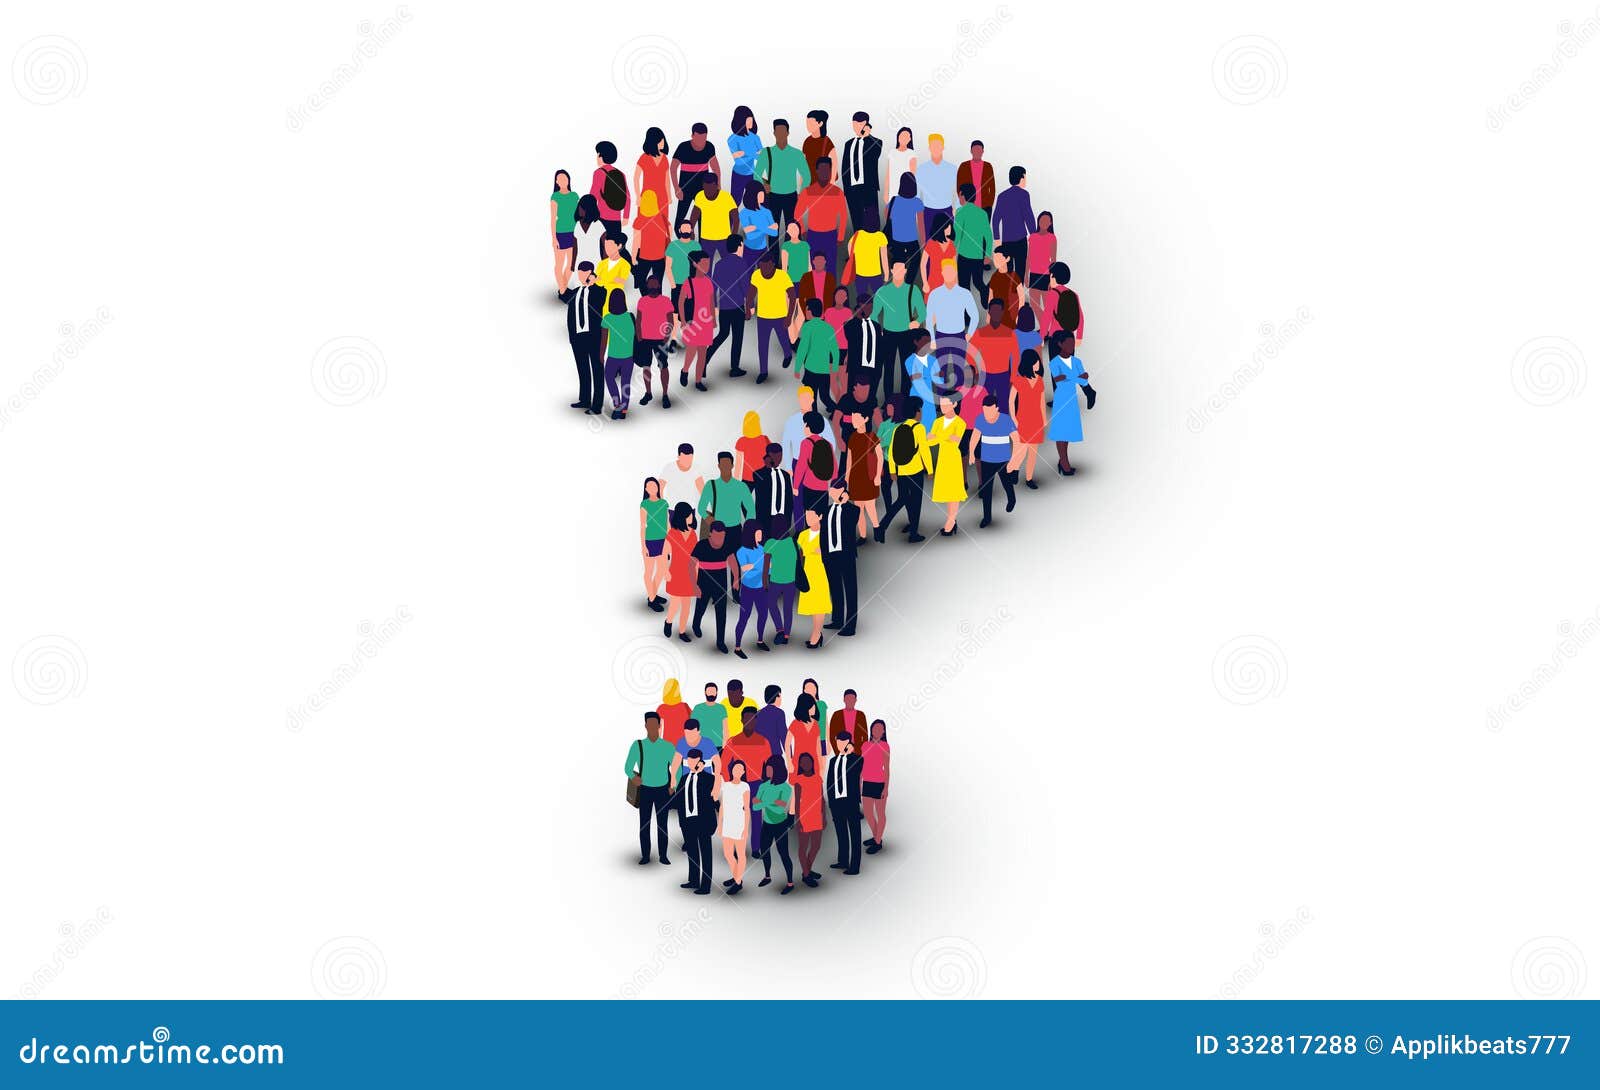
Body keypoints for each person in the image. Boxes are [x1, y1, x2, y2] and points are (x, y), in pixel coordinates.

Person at [870, 261, 926, 403]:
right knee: (888, 367)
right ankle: (889, 400)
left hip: (907, 333)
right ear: (891, 270)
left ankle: (905, 398)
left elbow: (923, 312)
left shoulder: (913, 291)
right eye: (897, 269)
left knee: (906, 367)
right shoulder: (883, 292)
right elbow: (874, 314)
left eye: (902, 269)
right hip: (888, 333)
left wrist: (917, 322)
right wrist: (879, 329)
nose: (899, 271)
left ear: (906, 271)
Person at [879, 393, 932, 542]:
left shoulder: (898, 428)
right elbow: (924, 450)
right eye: (920, 410)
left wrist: (893, 471)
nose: (921, 413)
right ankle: (914, 533)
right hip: (915, 471)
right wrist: (930, 469)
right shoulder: (919, 428)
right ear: (916, 412)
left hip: (901, 471)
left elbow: (891, 452)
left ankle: (882, 526)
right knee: (915, 501)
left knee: (902, 499)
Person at [624, 712, 675, 865]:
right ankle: (645, 855)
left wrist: (673, 785)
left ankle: (663, 856)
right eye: (649, 724)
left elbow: (677, 768)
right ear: (645, 725)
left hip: (663, 790)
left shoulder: (668, 746)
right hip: (645, 790)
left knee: (663, 824)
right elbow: (627, 767)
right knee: (644, 824)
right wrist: (634, 777)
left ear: (660, 726)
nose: (652, 727)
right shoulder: (638, 745)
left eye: (655, 724)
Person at [559, 262, 605, 413]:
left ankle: (597, 405)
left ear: (591, 274)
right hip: (577, 337)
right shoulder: (576, 292)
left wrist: (594, 283)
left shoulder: (599, 291)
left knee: (597, 370)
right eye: (579, 273)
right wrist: (564, 275)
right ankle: (585, 399)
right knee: (583, 368)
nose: (581, 276)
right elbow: (562, 293)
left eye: (584, 273)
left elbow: (600, 300)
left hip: (594, 337)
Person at [970, 394, 1020, 527]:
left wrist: (1014, 461)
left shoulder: (1006, 420)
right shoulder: (980, 420)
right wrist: (971, 453)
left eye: (990, 410)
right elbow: (975, 437)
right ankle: (987, 517)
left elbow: (1016, 440)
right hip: (986, 461)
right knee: (986, 491)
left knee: (1007, 483)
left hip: (1003, 460)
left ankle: (1011, 498)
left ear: (997, 408)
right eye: (985, 410)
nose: (988, 413)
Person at [706, 236, 752, 380]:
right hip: (738, 306)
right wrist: (749, 306)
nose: (743, 248)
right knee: (737, 337)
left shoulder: (719, 264)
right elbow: (745, 287)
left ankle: (704, 361)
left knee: (723, 334)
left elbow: (713, 287)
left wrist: (714, 306)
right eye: (742, 245)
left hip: (724, 306)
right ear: (739, 246)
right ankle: (734, 368)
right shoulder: (741, 263)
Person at [673, 748, 717, 894]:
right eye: (690, 761)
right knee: (692, 852)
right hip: (687, 822)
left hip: (704, 822)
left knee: (706, 853)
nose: (692, 763)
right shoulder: (684, 779)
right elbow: (677, 800)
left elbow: (715, 800)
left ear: (701, 762)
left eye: (695, 761)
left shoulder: (709, 779)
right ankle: (693, 880)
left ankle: (705, 886)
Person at [746, 253, 796, 381]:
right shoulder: (756, 275)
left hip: (780, 316)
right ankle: (763, 372)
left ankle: (787, 354)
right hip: (763, 317)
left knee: (783, 339)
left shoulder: (782, 276)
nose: (762, 269)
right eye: (760, 266)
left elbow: (792, 296)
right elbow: (751, 294)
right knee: (762, 345)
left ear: (772, 264)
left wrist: (789, 317)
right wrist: (748, 308)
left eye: (765, 266)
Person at [753, 118, 809, 232]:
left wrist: (801, 193)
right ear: (773, 133)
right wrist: (764, 185)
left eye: (783, 131)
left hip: (792, 197)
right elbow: (756, 175)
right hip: (772, 197)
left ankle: (790, 250)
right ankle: (773, 251)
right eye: (777, 131)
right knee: (772, 229)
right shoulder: (766, 153)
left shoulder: (796, 154)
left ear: (788, 132)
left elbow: (807, 175)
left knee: (792, 230)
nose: (780, 134)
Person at [690, 520, 737, 653]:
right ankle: (696, 624)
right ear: (710, 534)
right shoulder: (701, 545)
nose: (719, 539)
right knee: (700, 608)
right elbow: (691, 564)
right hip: (703, 584)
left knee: (721, 614)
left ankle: (720, 641)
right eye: (717, 536)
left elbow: (733, 561)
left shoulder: (727, 545)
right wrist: (694, 585)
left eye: (722, 536)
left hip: (721, 587)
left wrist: (736, 579)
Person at [794, 158, 848, 276]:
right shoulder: (807, 192)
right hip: (813, 236)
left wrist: (841, 236)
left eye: (827, 170)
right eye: (822, 169)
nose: (825, 172)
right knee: (813, 267)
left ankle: (829, 292)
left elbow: (843, 215)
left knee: (830, 267)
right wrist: (803, 230)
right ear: (816, 171)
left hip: (831, 236)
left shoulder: (837, 192)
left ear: (830, 172)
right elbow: (797, 213)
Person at [1047, 331, 1091, 476]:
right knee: (1061, 432)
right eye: (1068, 343)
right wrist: (1077, 377)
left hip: (1071, 399)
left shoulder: (1077, 362)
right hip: (1061, 399)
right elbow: (1059, 379)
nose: (1072, 346)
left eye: (1073, 343)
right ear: (1060, 344)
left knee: (1068, 432)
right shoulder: (1054, 362)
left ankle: (1063, 460)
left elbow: (1083, 381)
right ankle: (1064, 462)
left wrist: (1077, 377)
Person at [820, 483, 860, 636]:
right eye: (831, 490)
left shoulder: (852, 510)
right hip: (830, 556)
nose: (831, 492)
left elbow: (852, 523)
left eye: (835, 490)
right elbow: (823, 533)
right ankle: (837, 620)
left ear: (843, 492)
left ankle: (850, 626)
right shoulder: (826, 510)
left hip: (846, 555)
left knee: (850, 589)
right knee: (835, 588)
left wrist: (846, 502)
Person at [753, 757, 796, 893]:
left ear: (777, 770)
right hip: (766, 824)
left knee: (784, 854)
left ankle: (790, 883)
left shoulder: (786, 787)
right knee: (764, 851)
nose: (767, 770)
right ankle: (767, 875)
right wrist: (772, 801)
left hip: (780, 825)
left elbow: (780, 809)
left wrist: (763, 801)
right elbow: (755, 806)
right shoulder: (763, 785)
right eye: (767, 768)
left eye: (770, 768)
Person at [969, 299, 1022, 405]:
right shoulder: (980, 333)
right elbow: (970, 353)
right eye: (993, 311)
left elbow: (1016, 357)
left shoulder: (1010, 334)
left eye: (998, 311)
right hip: (985, 376)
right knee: (984, 406)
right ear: (989, 312)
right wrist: (975, 373)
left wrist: (1012, 378)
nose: (995, 314)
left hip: (1004, 375)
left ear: (1002, 312)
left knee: (1004, 406)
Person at [928, 396, 968, 535]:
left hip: (954, 459)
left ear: (955, 404)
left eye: (946, 405)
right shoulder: (938, 421)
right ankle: (951, 520)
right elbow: (930, 442)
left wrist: (937, 436)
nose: (943, 408)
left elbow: (955, 441)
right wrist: (943, 437)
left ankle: (950, 523)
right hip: (942, 459)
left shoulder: (960, 422)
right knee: (947, 491)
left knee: (954, 492)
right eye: (942, 405)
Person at [633, 276, 675, 408]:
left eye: (654, 284)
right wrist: (639, 336)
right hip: (645, 339)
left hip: (660, 340)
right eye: (650, 284)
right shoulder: (642, 301)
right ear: (647, 286)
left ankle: (665, 394)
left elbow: (670, 321)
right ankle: (648, 393)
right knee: (646, 367)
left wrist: (666, 337)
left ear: (658, 285)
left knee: (663, 367)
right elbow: (638, 320)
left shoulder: (666, 301)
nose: (652, 287)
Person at [825, 733, 863, 874]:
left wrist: (850, 752)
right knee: (841, 833)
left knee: (855, 834)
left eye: (844, 742)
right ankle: (843, 860)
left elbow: (859, 770)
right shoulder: (833, 761)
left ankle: (855, 866)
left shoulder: (857, 759)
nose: (840, 745)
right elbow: (829, 782)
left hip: (851, 802)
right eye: (839, 742)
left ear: (849, 743)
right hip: (837, 803)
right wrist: (831, 802)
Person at [793, 299, 841, 412]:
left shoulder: (807, 327)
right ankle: (837, 411)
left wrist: (797, 368)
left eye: (806, 310)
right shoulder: (829, 328)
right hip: (825, 370)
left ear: (809, 311)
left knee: (811, 397)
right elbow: (835, 350)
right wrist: (834, 367)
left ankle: (813, 418)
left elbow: (802, 349)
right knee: (825, 396)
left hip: (811, 370)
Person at [926, 258, 982, 354]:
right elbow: (929, 319)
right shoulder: (935, 294)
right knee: (941, 367)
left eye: (951, 271)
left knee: (959, 367)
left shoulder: (965, 294)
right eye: (946, 271)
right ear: (942, 273)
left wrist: (969, 334)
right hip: (941, 335)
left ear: (956, 272)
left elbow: (975, 316)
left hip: (959, 334)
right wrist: (932, 338)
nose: (949, 274)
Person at [671, 123, 721, 231]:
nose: (701, 142)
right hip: (685, 189)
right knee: (679, 221)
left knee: (703, 220)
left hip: (703, 190)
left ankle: (701, 246)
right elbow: (673, 168)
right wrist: (676, 188)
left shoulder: (709, 147)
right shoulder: (683, 147)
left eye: (704, 138)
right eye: (698, 138)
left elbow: (715, 167)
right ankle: (683, 243)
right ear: (692, 136)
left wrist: (718, 185)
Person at [842, 409, 883, 538]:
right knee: (858, 510)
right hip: (855, 477)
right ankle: (863, 535)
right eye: (853, 419)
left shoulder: (872, 436)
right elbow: (849, 460)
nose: (854, 421)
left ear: (865, 419)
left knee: (870, 507)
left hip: (869, 477)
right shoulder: (852, 438)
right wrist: (847, 479)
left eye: (857, 418)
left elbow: (880, 457)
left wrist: (877, 476)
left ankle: (877, 529)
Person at [731, 524, 770, 658]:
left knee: (763, 615)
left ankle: (760, 640)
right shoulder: (741, 551)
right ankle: (737, 647)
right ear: (750, 534)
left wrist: (757, 567)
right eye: (758, 533)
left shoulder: (762, 548)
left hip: (761, 589)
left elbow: (768, 569)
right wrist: (762, 566)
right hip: (748, 590)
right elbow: (746, 571)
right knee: (744, 618)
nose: (761, 536)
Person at [840, 111, 883, 232]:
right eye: (854, 124)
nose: (855, 127)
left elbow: (875, 155)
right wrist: (846, 189)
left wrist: (867, 137)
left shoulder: (876, 142)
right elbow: (845, 167)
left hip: (868, 187)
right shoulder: (848, 144)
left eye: (859, 124)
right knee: (856, 220)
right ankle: (858, 247)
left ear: (866, 124)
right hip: (852, 189)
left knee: (872, 220)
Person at [1010, 350, 1048, 487]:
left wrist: (1044, 419)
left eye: (1038, 361)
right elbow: (1011, 401)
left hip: (1036, 420)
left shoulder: (1040, 381)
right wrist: (1014, 418)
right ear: (1028, 364)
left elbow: (1041, 402)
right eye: (1035, 362)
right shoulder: (1019, 380)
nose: (1038, 364)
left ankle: (1029, 478)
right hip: (1022, 420)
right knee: (1021, 451)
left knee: (1033, 453)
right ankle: (1013, 470)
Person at [661, 503, 698, 641]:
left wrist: (697, 573)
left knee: (687, 606)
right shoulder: (672, 534)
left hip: (689, 574)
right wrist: (665, 571)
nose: (691, 517)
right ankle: (668, 621)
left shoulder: (693, 534)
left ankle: (682, 631)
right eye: (689, 515)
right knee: (675, 604)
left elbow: (696, 556)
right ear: (682, 517)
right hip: (676, 573)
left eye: (692, 514)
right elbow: (664, 554)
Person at [795, 508, 832, 648]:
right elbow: (797, 553)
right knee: (812, 603)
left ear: (820, 516)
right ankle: (817, 633)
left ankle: (816, 635)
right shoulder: (803, 535)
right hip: (808, 571)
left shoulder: (826, 534)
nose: (808, 519)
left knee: (819, 604)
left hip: (822, 571)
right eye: (807, 517)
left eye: (811, 516)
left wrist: (823, 553)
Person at [953, 182, 995, 303]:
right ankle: (985, 291)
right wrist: (987, 254)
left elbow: (957, 236)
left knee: (964, 286)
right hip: (978, 255)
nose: (958, 198)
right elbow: (988, 235)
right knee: (978, 281)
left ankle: (966, 315)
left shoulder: (960, 212)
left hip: (964, 256)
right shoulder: (982, 213)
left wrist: (951, 251)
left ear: (962, 195)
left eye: (959, 195)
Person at [991, 165, 1035, 276]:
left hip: (1006, 240)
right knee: (1020, 270)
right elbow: (1028, 216)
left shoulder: (1002, 196)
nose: (1026, 180)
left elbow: (995, 219)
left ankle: (1008, 292)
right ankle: (1018, 292)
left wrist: (997, 239)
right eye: (1025, 177)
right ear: (1021, 178)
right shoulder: (1024, 195)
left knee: (1007, 271)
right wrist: (1033, 235)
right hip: (1021, 240)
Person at [780, 385, 837, 470]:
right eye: (802, 399)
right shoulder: (792, 421)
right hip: (798, 461)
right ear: (799, 400)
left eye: (807, 399)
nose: (805, 402)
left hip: (817, 462)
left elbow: (831, 443)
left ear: (812, 400)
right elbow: (786, 444)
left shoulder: (821, 420)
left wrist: (824, 461)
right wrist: (788, 466)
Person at [599, 288, 636, 419]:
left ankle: (617, 406)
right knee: (625, 383)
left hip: (613, 356)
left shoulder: (607, 318)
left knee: (609, 378)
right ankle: (624, 410)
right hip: (629, 357)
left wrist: (601, 355)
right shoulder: (630, 317)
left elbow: (603, 340)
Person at [792, 751, 826, 886]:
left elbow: (822, 799)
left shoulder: (818, 778)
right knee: (803, 847)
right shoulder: (798, 780)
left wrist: (824, 817)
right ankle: (806, 875)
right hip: (804, 817)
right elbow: (797, 802)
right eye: (803, 762)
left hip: (817, 816)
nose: (806, 764)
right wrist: (798, 819)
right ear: (800, 764)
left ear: (813, 763)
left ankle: (807, 869)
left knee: (816, 846)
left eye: (808, 761)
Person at [761, 521, 799, 645]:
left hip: (775, 581)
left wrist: (764, 583)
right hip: (791, 581)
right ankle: (786, 635)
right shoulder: (793, 542)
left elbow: (765, 567)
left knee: (771, 604)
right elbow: (800, 560)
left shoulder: (770, 543)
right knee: (788, 609)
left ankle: (780, 629)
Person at [793, 411, 836, 519]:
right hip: (823, 488)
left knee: (810, 518)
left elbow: (801, 467)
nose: (803, 427)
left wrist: (796, 486)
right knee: (822, 517)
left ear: (808, 426)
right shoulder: (828, 444)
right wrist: (834, 485)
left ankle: (810, 535)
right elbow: (834, 466)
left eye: (805, 424)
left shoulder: (806, 443)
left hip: (809, 487)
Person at [717, 758, 751, 894]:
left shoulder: (745, 787)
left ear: (743, 772)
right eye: (734, 768)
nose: (736, 771)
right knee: (728, 853)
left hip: (739, 823)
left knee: (741, 854)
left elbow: (747, 808)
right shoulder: (725, 785)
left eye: (739, 769)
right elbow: (722, 806)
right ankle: (736, 876)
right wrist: (720, 824)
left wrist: (746, 829)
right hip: (727, 823)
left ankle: (738, 882)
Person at [698, 451, 754, 531]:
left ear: (732, 465)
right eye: (723, 464)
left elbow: (751, 509)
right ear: (719, 466)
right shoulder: (710, 485)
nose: (725, 467)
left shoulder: (741, 486)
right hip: (717, 531)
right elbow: (701, 508)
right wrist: (708, 519)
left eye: (727, 464)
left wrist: (748, 528)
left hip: (736, 530)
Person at [844, 208, 888, 308]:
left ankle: (863, 312)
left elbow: (849, 246)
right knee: (879, 296)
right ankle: (876, 312)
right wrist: (886, 275)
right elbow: (884, 258)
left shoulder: (858, 234)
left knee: (861, 296)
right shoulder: (880, 236)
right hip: (875, 273)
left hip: (860, 272)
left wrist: (854, 256)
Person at [688, 173, 738, 263]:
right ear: (703, 186)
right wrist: (691, 230)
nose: (708, 191)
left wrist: (733, 237)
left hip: (724, 239)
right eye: (706, 188)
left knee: (728, 265)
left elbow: (736, 218)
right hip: (706, 239)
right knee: (706, 269)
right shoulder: (700, 196)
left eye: (711, 188)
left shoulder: (726, 197)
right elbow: (694, 215)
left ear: (716, 185)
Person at [915, 133, 957, 239]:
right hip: (928, 212)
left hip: (947, 211)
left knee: (946, 246)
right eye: (933, 145)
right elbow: (918, 194)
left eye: (938, 145)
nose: (936, 148)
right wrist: (918, 215)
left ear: (943, 147)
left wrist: (956, 209)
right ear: (929, 148)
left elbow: (958, 192)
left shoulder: (952, 169)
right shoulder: (922, 169)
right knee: (929, 247)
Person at [885, 172, 925, 283]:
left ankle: (898, 285)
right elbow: (921, 225)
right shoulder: (917, 202)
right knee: (916, 260)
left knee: (898, 266)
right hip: (912, 241)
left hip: (896, 241)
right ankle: (909, 283)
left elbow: (886, 215)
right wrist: (923, 243)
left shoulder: (894, 201)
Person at [843, 296, 885, 397]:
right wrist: (856, 317)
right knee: (854, 393)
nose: (869, 310)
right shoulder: (850, 325)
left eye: (870, 308)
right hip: (857, 366)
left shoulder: (876, 326)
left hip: (874, 366)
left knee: (871, 393)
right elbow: (850, 337)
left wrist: (880, 363)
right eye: (865, 307)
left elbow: (880, 345)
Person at [860, 719, 890, 854]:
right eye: (874, 728)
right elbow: (862, 765)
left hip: (879, 783)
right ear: (871, 730)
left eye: (880, 728)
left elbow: (887, 768)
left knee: (880, 813)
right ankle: (876, 836)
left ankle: (878, 841)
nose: (877, 730)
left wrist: (886, 788)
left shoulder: (885, 746)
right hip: (867, 782)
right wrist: (859, 783)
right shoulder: (865, 745)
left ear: (883, 732)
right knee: (868, 813)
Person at [639, 477, 669, 611]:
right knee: (649, 571)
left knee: (662, 569)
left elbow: (667, 523)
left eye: (654, 485)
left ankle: (653, 594)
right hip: (650, 541)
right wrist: (643, 545)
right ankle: (651, 599)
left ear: (658, 487)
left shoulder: (664, 503)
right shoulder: (644, 504)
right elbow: (643, 525)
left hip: (663, 540)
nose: (652, 488)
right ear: (646, 489)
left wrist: (669, 540)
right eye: (649, 486)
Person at [750, 442, 793, 532]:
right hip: (764, 521)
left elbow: (789, 499)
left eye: (780, 456)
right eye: (775, 456)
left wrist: (788, 519)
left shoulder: (786, 475)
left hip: (783, 521)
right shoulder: (758, 474)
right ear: (768, 456)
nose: (778, 459)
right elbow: (746, 494)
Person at [550, 169, 580, 294]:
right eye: (560, 179)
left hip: (574, 233)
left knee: (571, 264)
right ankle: (562, 290)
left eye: (565, 178)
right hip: (561, 232)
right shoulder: (555, 197)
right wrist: (554, 238)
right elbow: (553, 218)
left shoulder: (574, 195)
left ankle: (563, 287)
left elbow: (579, 214)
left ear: (568, 180)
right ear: (557, 182)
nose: (563, 181)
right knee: (560, 263)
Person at [901, 330, 939, 429]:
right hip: (916, 398)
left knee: (930, 429)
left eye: (929, 342)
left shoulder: (933, 360)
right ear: (916, 342)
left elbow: (939, 381)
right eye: (924, 341)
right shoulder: (910, 360)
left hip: (930, 398)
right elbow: (916, 379)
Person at [590, 140, 630, 231]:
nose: (596, 157)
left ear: (601, 156)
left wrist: (590, 216)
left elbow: (593, 197)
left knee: (603, 244)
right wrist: (626, 216)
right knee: (616, 244)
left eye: (597, 154)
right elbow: (627, 196)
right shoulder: (621, 173)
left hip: (602, 218)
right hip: (616, 219)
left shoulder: (598, 173)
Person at [726, 105, 762, 206]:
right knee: (734, 202)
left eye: (752, 120)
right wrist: (753, 153)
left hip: (753, 174)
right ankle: (731, 222)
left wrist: (744, 153)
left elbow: (761, 157)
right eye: (748, 120)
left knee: (755, 202)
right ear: (741, 121)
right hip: (738, 175)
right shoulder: (732, 139)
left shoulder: (755, 138)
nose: (751, 123)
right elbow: (738, 162)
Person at [786, 693, 826, 783]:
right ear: (805, 708)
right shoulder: (795, 723)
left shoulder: (816, 725)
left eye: (814, 706)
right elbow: (787, 744)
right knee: (797, 789)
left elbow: (818, 747)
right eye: (811, 706)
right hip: (797, 762)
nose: (814, 708)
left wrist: (821, 765)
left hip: (814, 762)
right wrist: (789, 762)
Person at [570, 194, 606, 290]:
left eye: (583, 208)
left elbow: (605, 247)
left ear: (590, 209)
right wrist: (573, 264)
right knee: (579, 287)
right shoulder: (577, 225)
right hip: (579, 261)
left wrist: (605, 265)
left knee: (595, 288)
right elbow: (575, 247)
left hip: (596, 262)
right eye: (579, 207)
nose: (580, 210)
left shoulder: (598, 224)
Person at [670, 718, 721, 785]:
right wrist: (673, 777)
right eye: (687, 733)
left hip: (706, 782)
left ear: (698, 731)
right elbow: (676, 762)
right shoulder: (681, 743)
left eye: (693, 733)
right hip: (688, 781)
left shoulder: (708, 743)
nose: (690, 737)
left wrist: (716, 781)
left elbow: (717, 763)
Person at [1026, 210, 1057, 317]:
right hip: (1033, 274)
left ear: (1050, 223)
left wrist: (1052, 280)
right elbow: (1028, 258)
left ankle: (1048, 329)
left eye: (1047, 220)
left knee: (1048, 306)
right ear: (1038, 220)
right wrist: (1026, 275)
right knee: (1035, 305)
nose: (1044, 222)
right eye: (1042, 219)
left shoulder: (1052, 238)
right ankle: (1044, 330)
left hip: (1046, 275)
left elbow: (1053, 260)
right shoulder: (1033, 237)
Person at [739, 179, 778, 260]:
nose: (763, 195)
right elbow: (750, 236)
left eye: (763, 193)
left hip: (763, 250)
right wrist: (767, 227)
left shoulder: (767, 212)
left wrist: (755, 227)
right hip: (748, 250)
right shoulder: (744, 213)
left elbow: (774, 233)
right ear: (753, 195)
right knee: (748, 272)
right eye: (760, 194)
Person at [986, 248, 1023, 329]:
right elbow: (991, 297)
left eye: (999, 258)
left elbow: (1022, 297)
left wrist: (1019, 314)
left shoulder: (1014, 277)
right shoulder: (994, 277)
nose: (996, 261)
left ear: (1007, 258)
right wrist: (989, 314)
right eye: (994, 258)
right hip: (997, 315)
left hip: (1012, 315)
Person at [801, 109, 838, 191]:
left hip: (824, 184)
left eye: (810, 123)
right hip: (809, 184)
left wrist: (831, 182)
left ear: (820, 123)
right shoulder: (807, 141)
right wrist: (801, 185)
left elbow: (834, 163)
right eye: (807, 123)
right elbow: (803, 165)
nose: (808, 126)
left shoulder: (827, 141)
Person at [919, 219, 956, 298]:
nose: (949, 229)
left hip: (948, 282)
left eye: (950, 226)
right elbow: (923, 264)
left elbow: (954, 266)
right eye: (947, 227)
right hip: (933, 281)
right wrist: (925, 283)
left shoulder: (952, 244)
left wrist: (956, 283)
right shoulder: (931, 244)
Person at [660, 442, 703, 509]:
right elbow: (660, 488)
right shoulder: (669, 468)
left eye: (690, 458)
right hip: (672, 509)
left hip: (690, 509)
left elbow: (702, 490)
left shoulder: (695, 469)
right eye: (684, 459)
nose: (687, 461)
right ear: (678, 457)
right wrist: (662, 506)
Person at [956, 139, 995, 211]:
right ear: (971, 151)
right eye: (974, 150)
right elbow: (959, 185)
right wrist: (963, 201)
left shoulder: (988, 166)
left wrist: (989, 204)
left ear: (983, 151)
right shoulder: (964, 166)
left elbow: (992, 188)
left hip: (985, 206)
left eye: (979, 150)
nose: (977, 152)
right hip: (967, 205)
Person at [690, 681, 728, 748]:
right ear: (705, 692)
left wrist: (724, 744)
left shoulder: (721, 708)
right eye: (709, 691)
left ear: (716, 693)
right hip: (700, 745)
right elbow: (692, 728)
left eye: (713, 691)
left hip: (717, 745)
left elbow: (725, 728)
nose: (711, 694)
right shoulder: (698, 708)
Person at [733, 411, 767, 483]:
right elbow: (738, 466)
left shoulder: (741, 441)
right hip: (761, 477)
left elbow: (738, 466)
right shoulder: (764, 439)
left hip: (754, 478)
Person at [595, 233, 632, 299]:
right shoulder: (601, 263)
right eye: (605, 246)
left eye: (610, 246)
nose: (607, 249)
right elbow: (597, 281)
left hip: (614, 298)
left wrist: (603, 279)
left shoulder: (625, 264)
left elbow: (621, 281)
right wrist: (612, 279)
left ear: (619, 246)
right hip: (599, 297)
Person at [657, 677, 689, 743]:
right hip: (683, 744)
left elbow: (658, 729)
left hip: (669, 744)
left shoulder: (661, 708)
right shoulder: (684, 706)